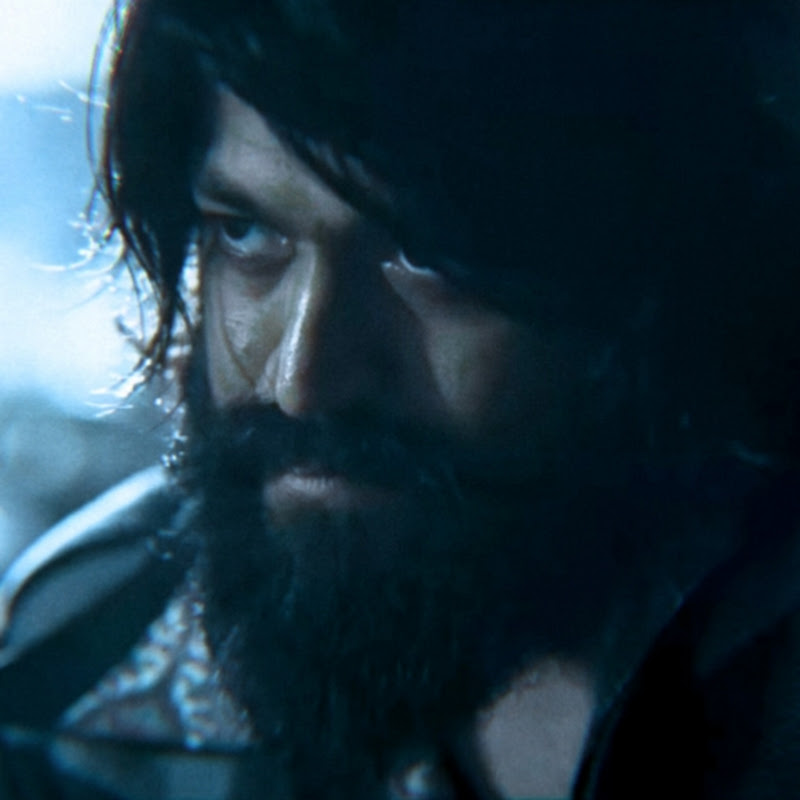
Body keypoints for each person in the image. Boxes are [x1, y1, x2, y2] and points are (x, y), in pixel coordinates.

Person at [0, 0, 799, 797]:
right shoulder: (81, 667)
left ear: (651, 275)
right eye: (247, 231)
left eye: (432, 252)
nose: (303, 380)